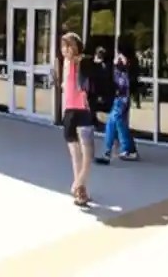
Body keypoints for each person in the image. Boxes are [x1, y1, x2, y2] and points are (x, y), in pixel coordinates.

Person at [57, 33, 96, 207]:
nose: (66, 49)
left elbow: (91, 67)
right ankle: (81, 189)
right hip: (69, 112)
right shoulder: (63, 63)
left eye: (69, 45)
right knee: (75, 153)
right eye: (63, 45)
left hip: (83, 110)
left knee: (87, 152)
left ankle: (78, 183)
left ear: (77, 47)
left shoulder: (81, 61)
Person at [96, 47, 140, 165]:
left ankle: (107, 152)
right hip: (119, 100)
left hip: (122, 100)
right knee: (120, 125)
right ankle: (129, 149)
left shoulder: (127, 68)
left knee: (111, 123)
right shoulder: (116, 67)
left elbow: (124, 85)